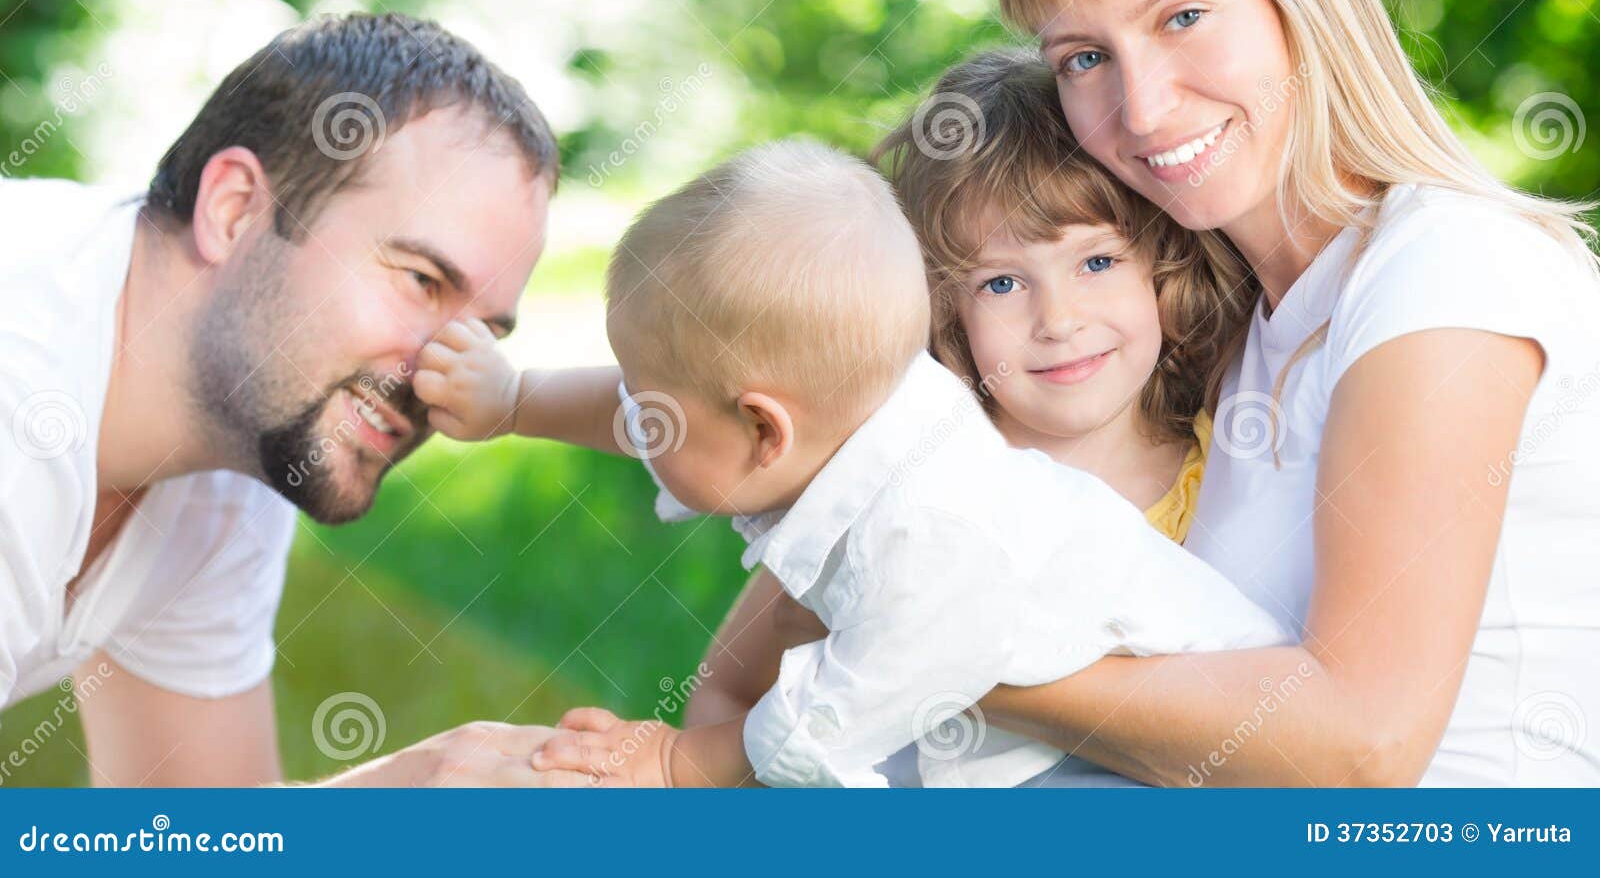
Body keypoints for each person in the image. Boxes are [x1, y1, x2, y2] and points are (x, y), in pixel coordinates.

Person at [957, 0, 1600, 785]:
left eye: (1181, 16)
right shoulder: (1229, 325)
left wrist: (948, 658)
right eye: (1084, 56)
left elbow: (1363, 740)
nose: (1142, 102)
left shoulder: (1445, 270)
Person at [415, 138, 1288, 787]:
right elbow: (675, 399)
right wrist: (516, 400)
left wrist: (681, 763)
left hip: (1206, 784)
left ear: (766, 432)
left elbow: (830, 720)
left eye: (649, 411)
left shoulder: (927, 534)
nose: (637, 420)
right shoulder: (867, 406)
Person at [0, 12, 580, 787]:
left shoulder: (238, 443)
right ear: (234, 208)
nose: (446, 375)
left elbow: (195, 837)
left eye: (483, 335)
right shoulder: (22, 378)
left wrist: (412, 792)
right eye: (420, 280)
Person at [676, 50, 1258, 785]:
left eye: (1097, 262)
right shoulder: (914, 480)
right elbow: (728, 685)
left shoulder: (1230, 468)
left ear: (1160, 260)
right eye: (1004, 282)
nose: (1060, 319)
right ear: (943, 305)